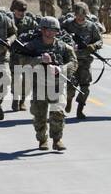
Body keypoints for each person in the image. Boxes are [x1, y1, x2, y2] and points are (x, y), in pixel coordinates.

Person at [17, 16, 76, 151]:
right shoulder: (33, 45)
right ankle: (42, 139)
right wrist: (39, 60)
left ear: (57, 31)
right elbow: (22, 60)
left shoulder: (63, 47)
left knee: (58, 113)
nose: (49, 33)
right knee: (40, 115)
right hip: (40, 85)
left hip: (58, 85)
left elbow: (74, 63)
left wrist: (60, 68)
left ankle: (57, 139)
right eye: (46, 30)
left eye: (53, 30)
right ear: (42, 30)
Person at [62, 1, 104, 119]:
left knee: (85, 87)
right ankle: (69, 100)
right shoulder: (67, 24)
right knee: (70, 85)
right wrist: (68, 43)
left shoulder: (91, 26)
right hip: (71, 60)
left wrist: (93, 46)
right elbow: (58, 36)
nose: (80, 17)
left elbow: (100, 41)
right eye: (78, 14)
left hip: (85, 61)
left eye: (82, 15)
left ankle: (80, 108)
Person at [8, 0, 38, 111]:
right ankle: (15, 99)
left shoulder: (30, 21)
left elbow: (38, 33)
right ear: (14, 9)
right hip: (13, 54)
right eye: (19, 10)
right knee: (15, 78)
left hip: (27, 55)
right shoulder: (8, 20)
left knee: (27, 79)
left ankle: (22, 101)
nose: (22, 13)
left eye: (23, 10)